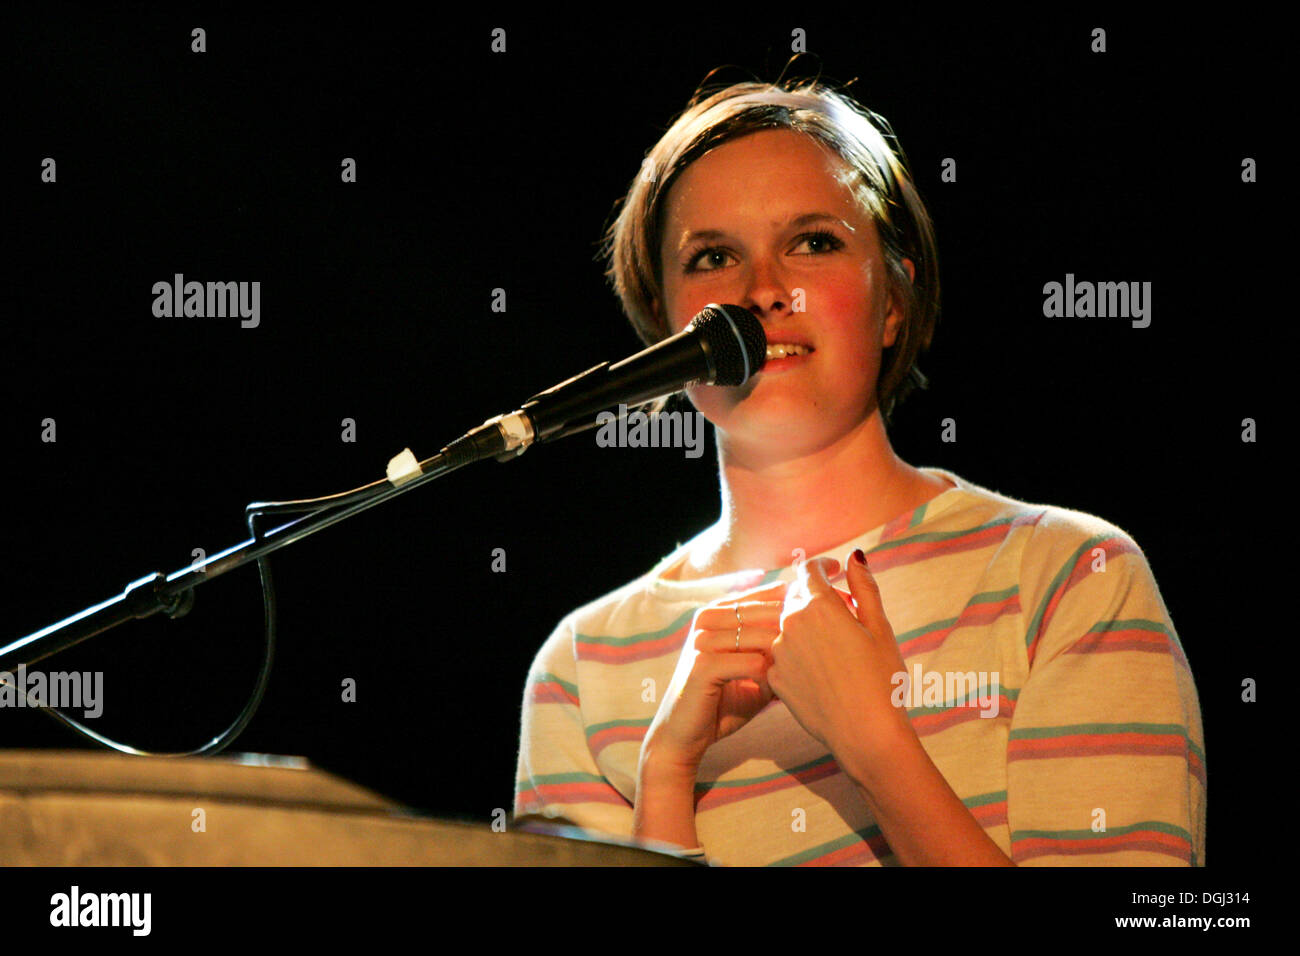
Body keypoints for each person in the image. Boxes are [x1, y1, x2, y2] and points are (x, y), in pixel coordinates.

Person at [513, 76, 1205, 866]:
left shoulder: (1068, 574)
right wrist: (665, 778)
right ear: (665, 329)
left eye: (814, 242)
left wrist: (872, 740)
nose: (762, 292)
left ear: (893, 301)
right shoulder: (580, 666)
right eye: (713, 257)